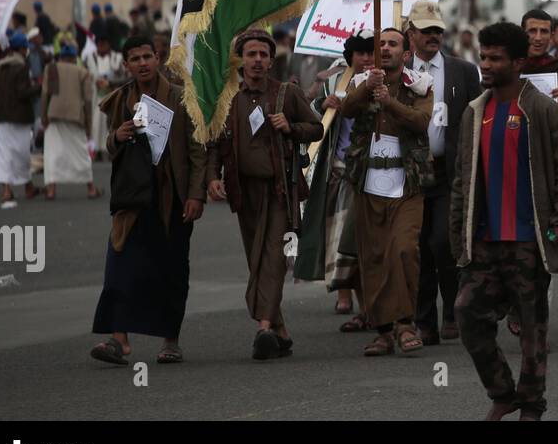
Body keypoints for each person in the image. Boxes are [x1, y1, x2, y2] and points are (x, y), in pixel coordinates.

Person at [451, 21, 558, 420]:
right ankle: (502, 393)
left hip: (530, 239)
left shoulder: (543, 110)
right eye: (483, 57)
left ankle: (531, 404)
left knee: (531, 329)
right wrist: (458, 232)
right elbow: (462, 179)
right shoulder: (476, 112)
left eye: (495, 58)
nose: (486, 65)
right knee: (467, 313)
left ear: (518, 62)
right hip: (486, 239)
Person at [89, 36, 206, 366]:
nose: (142, 63)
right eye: (135, 59)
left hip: (172, 198)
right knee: (120, 265)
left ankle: (171, 340)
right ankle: (118, 339)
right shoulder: (121, 100)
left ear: (158, 59)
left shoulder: (182, 98)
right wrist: (118, 136)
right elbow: (109, 148)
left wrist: (195, 194)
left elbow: (197, 150)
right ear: (125, 64)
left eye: (147, 57)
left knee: (172, 270)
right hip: (133, 198)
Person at [206, 29, 323, 360]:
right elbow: (214, 143)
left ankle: (264, 328)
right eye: (251, 54)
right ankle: (280, 331)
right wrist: (213, 177)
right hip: (244, 193)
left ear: (272, 60)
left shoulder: (287, 94)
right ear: (241, 59)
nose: (257, 60)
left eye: (263, 55)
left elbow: (316, 128)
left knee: (274, 256)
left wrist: (290, 126)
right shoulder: (228, 99)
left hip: (280, 191)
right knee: (257, 261)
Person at [340, 27, 433, 356]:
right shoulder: (361, 82)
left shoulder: (420, 84)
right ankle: (383, 330)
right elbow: (346, 109)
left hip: (407, 183)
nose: (387, 48)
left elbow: (422, 122)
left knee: (404, 249)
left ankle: (406, 323)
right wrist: (369, 87)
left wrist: (389, 103)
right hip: (369, 183)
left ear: (406, 53)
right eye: (381, 44)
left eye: (394, 44)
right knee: (374, 255)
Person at [405, 0, 481, 346]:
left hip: (450, 172)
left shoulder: (463, 71)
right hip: (409, 174)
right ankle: (424, 322)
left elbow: (478, 116)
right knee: (417, 247)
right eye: (426, 30)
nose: (433, 36)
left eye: (437, 30)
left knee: (444, 243)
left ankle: (452, 311)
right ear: (412, 34)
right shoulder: (398, 70)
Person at [294, 31, 374, 325]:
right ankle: (346, 296)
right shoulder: (334, 82)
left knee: (362, 241)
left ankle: (368, 307)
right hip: (338, 171)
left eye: (371, 52)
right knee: (339, 238)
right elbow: (313, 120)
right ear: (351, 55)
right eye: (361, 53)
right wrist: (322, 106)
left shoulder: (382, 84)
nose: (366, 59)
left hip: (372, 172)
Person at [0, 31, 41, 204]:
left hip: (1, 117)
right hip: (19, 117)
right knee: (21, 154)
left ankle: (9, 190)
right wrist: (39, 86)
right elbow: (22, 93)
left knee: (2, 155)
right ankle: (26, 187)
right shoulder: (21, 66)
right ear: (22, 49)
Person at [40, 42, 97, 200]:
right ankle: (90, 188)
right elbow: (87, 101)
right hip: (75, 116)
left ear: (60, 57)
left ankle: (51, 189)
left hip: (54, 115)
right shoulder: (83, 72)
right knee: (80, 152)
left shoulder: (50, 69)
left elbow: (45, 95)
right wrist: (88, 126)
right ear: (74, 58)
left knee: (52, 153)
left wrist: (43, 116)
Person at [519, 9, 558, 131]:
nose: (538, 37)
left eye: (544, 31)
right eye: (532, 31)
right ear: (522, 33)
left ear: (551, 37)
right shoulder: (512, 68)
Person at [84, 36, 126, 157]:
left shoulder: (116, 58)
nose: (102, 47)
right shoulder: (90, 58)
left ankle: (110, 150)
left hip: (112, 96)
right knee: (96, 123)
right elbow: (86, 75)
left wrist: (110, 82)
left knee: (111, 123)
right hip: (96, 97)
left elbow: (122, 75)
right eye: (99, 45)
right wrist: (96, 82)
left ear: (109, 45)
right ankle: (96, 150)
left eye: (104, 44)